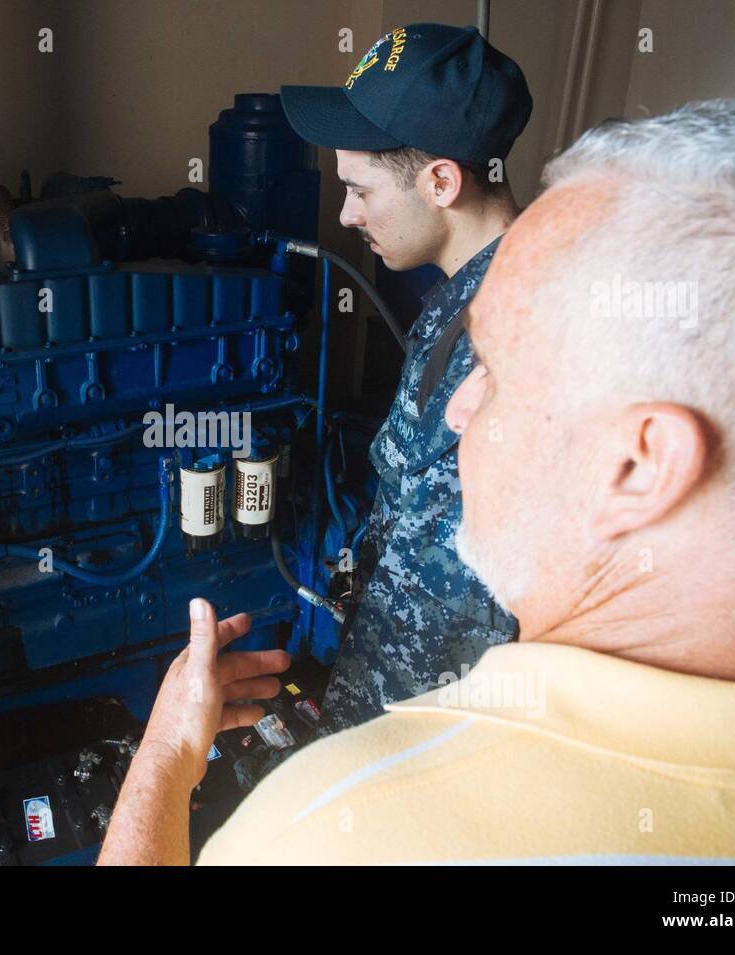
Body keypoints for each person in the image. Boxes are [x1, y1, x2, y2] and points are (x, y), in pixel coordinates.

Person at [100, 98, 735, 865]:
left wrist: (164, 754)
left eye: (492, 369)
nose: (458, 408)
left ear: (640, 464)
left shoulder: (335, 827)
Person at [278, 23, 531, 732]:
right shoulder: (468, 291)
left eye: (359, 190)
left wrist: (351, 750)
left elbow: (451, 613)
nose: (345, 214)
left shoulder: (507, 343)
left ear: (442, 181)